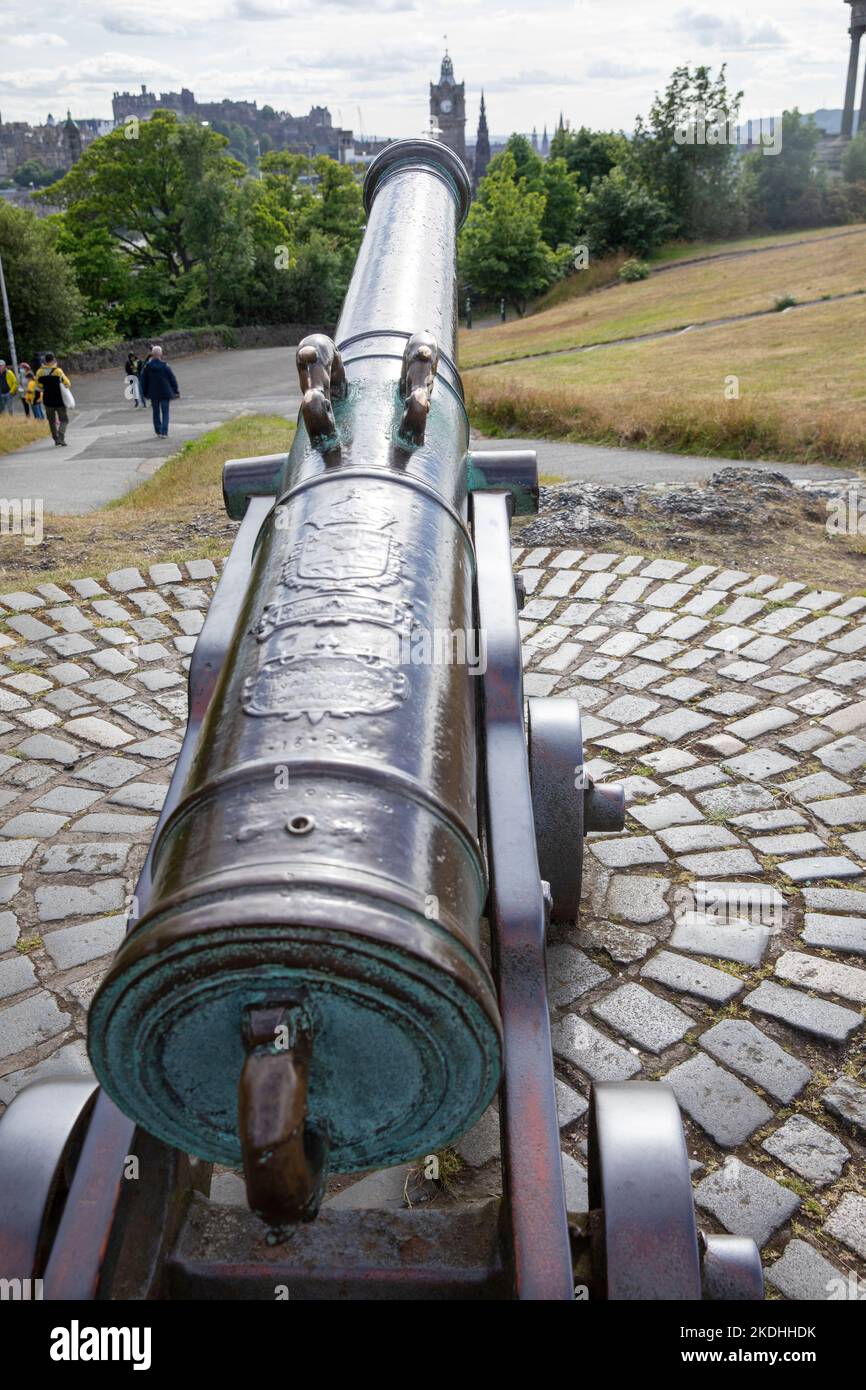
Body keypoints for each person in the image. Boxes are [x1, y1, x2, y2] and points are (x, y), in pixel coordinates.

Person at [140, 345, 179, 438]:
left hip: (153, 393)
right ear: (160, 354)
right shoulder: (165, 366)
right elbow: (172, 378)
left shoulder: (147, 367)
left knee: (156, 412)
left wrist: (144, 393)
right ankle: (164, 432)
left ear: (152, 354)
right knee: (165, 412)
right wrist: (176, 390)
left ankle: (158, 430)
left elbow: (143, 381)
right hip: (165, 392)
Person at [36, 352, 73, 446]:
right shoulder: (58, 371)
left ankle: (55, 439)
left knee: (51, 421)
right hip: (59, 400)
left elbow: (38, 385)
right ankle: (61, 437)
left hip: (47, 400)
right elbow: (67, 383)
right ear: (53, 360)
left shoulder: (40, 372)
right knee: (64, 420)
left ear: (45, 361)